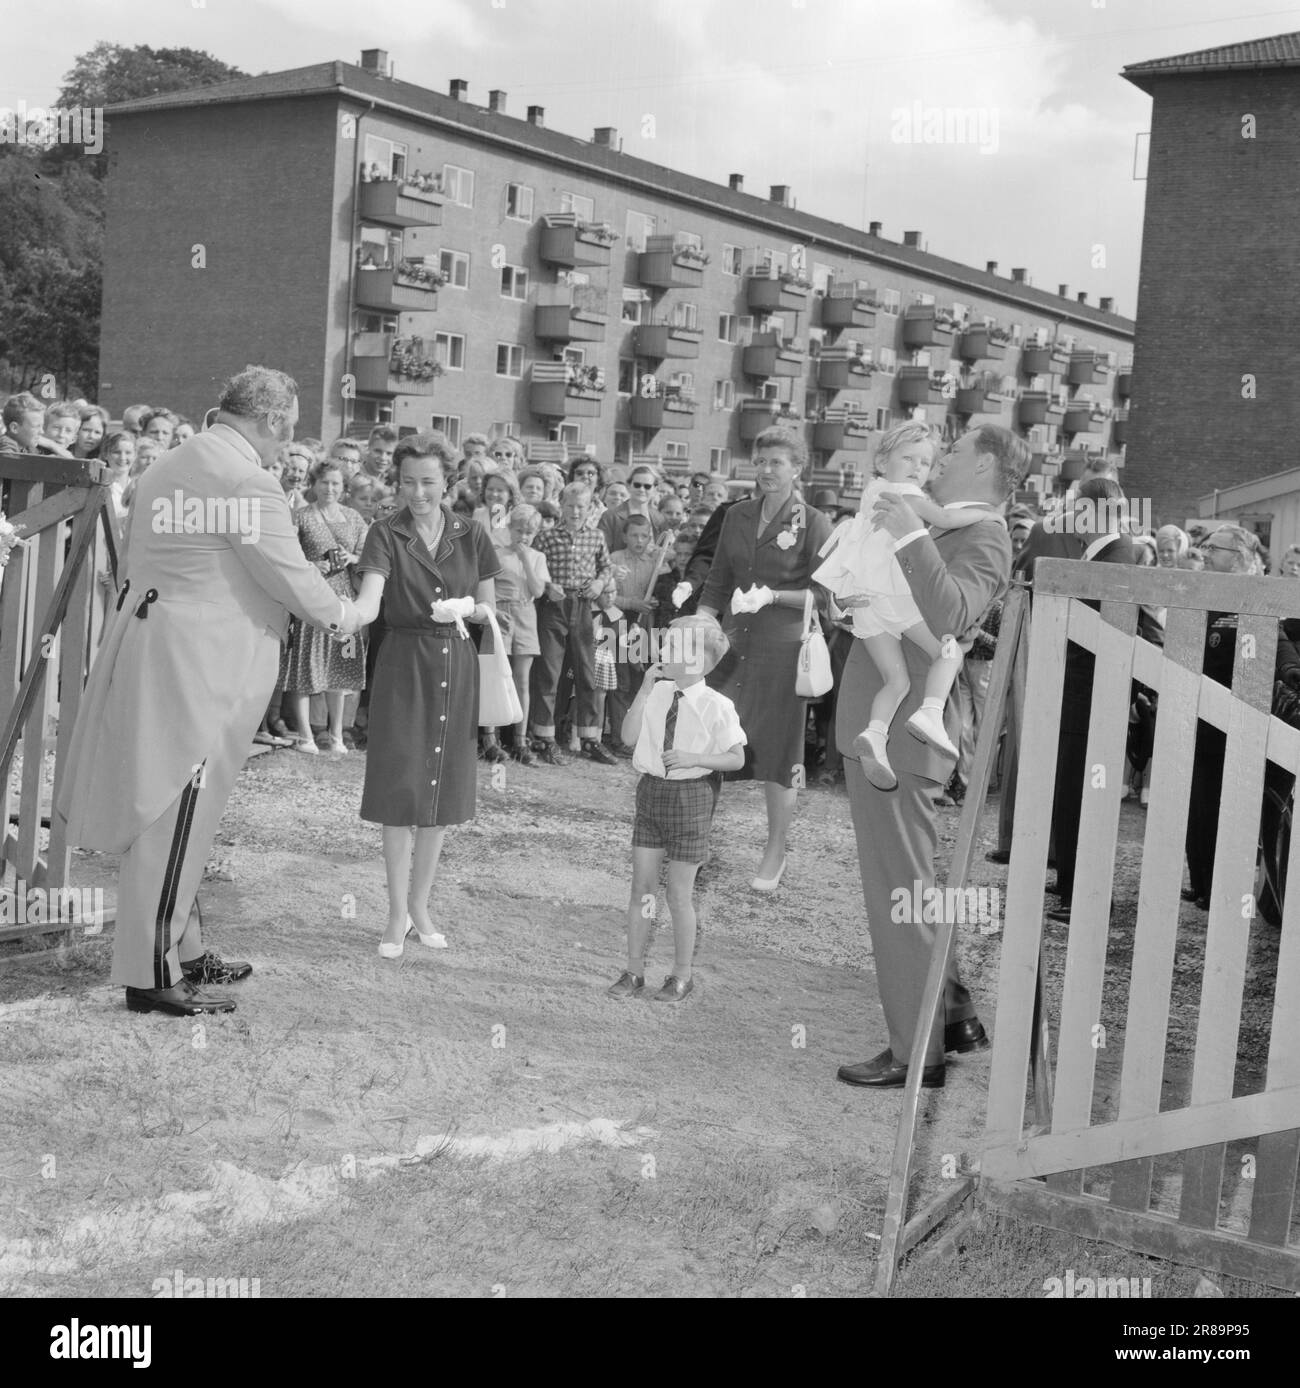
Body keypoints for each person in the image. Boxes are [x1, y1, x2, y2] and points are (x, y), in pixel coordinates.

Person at [54, 365, 363, 1016]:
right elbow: (290, 578)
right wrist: (349, 613)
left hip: (157, 645)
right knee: (176, 811)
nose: (287, 447)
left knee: (172, 812)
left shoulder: (167, 465)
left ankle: (184, 946)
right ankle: (152, 970)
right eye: (288, 432)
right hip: (203, 667)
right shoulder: (246, 480)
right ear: (273, 420)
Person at [834, 424, 1029, 1090]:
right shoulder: (949, 521)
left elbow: (952, 619)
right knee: (913, 888)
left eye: (958, 450)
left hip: (904, 738)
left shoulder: (986, 533)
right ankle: (953, 1015)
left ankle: (916, 1053)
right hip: (887, 727)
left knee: (901, 896)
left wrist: (911, 536)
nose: (942, 460)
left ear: (988, 466)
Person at [349, 431, 501, 957]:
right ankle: (394, 914)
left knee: (439, 792)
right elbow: (370, 600)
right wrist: (343, 617)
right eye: (409, 482)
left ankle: (420, 907)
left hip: (456, 661)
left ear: (450, 482)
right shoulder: (383, 532)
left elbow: (489, 605)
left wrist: (468, 610)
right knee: (400, 790)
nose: (418, 493)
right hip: (403, 664)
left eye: (429, 482)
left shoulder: (472, 532)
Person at [814, 422, 989, 789]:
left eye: (924, 462)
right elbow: (946, 519)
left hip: (866, 604)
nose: (916, 468)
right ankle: (930, 712)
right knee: (949, 652)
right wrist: (988, 514)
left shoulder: (872, 490)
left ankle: (875, 736)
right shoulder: (904, 493)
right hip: (893, 595)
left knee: (896, 680)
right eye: (907, 458)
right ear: (882, 460)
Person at [1015, 476, 1159, 922]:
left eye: (1074, 506)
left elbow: (1136, 631)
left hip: (1094, 696)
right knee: (1071, 790)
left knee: (1083, 794)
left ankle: (1084, 897)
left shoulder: (1118, 556)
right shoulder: (1103, 551)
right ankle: (1071, 886)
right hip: (1083, 694)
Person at [696, 426, 833, 889]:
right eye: (761, 461)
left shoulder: (814, 522)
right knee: (713, 738)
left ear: (797, 468)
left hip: (781, 647)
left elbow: (824, 593)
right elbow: (717, 578)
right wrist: (703, 622)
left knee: (779, 751)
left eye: (777, 462)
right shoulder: (735, 514)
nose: (767, 470)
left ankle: (775, 850)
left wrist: (774, 595)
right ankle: (694, 844)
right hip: (733, 645)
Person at [608, 615, 746, 1003]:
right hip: (651, 793)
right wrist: (644, 689)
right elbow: (628, 737)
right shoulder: (656, 693)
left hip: (692, 799)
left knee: (678, 895)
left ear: (699, 662)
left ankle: (680, 976)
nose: (663, 651)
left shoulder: (718, 705)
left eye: (673, 647)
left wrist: (693, 756)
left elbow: (736, 758)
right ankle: (634, 970)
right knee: (642, 888)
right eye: (665, 643)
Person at [281, 460, 369, 754]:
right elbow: (287, 554)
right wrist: (311, 564)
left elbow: (367, 554)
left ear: (344, 488)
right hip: (311, 596)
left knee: (339, 666)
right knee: (305, 664)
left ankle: (336, 734)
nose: (329, 488)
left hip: (343, 597)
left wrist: (352, 559)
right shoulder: (301, 516)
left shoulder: (354, 518)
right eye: (324, 482)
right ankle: (305, 734)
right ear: (314, 484)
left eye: (336, 483)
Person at [530, 482, 613, 765]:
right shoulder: (546, 537)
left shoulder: (596, 536)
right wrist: (547, 586)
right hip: (554, 605)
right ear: (561, 505)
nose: (575, 511)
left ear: (590, 508)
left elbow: (606, 566)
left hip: (583, 605)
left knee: (587, 672)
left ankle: (590, 738)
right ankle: (544, 737)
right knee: (549, 672)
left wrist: (600, 583)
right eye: (570, 505)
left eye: (581, 506)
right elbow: (534, 569)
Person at [491, 503, 552, 765]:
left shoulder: (538, 557)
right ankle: (490, 738)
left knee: (522, 681)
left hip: (526, 614)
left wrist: (526, 557)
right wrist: (493, 609)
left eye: (529, 532)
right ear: (509, 528)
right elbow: (486, 585)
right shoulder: (496, 553)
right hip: (501, 614)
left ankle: (520, 738)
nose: (523, 536)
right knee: (495, 677)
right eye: (519, 530)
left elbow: (538, 590)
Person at [606, 512, 665, 756]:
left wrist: (653, 603)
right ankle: (618, 737)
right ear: (624, 536)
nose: (639, 540)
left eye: (644, 536)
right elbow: (608, 597)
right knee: (620, 680)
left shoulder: (655, 563)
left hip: (642, 626)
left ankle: (633, 735)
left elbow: (660, 593)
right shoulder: (615, 560)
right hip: (617, 622)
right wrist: (633, 603)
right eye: (634, 535)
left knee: (637, 677)